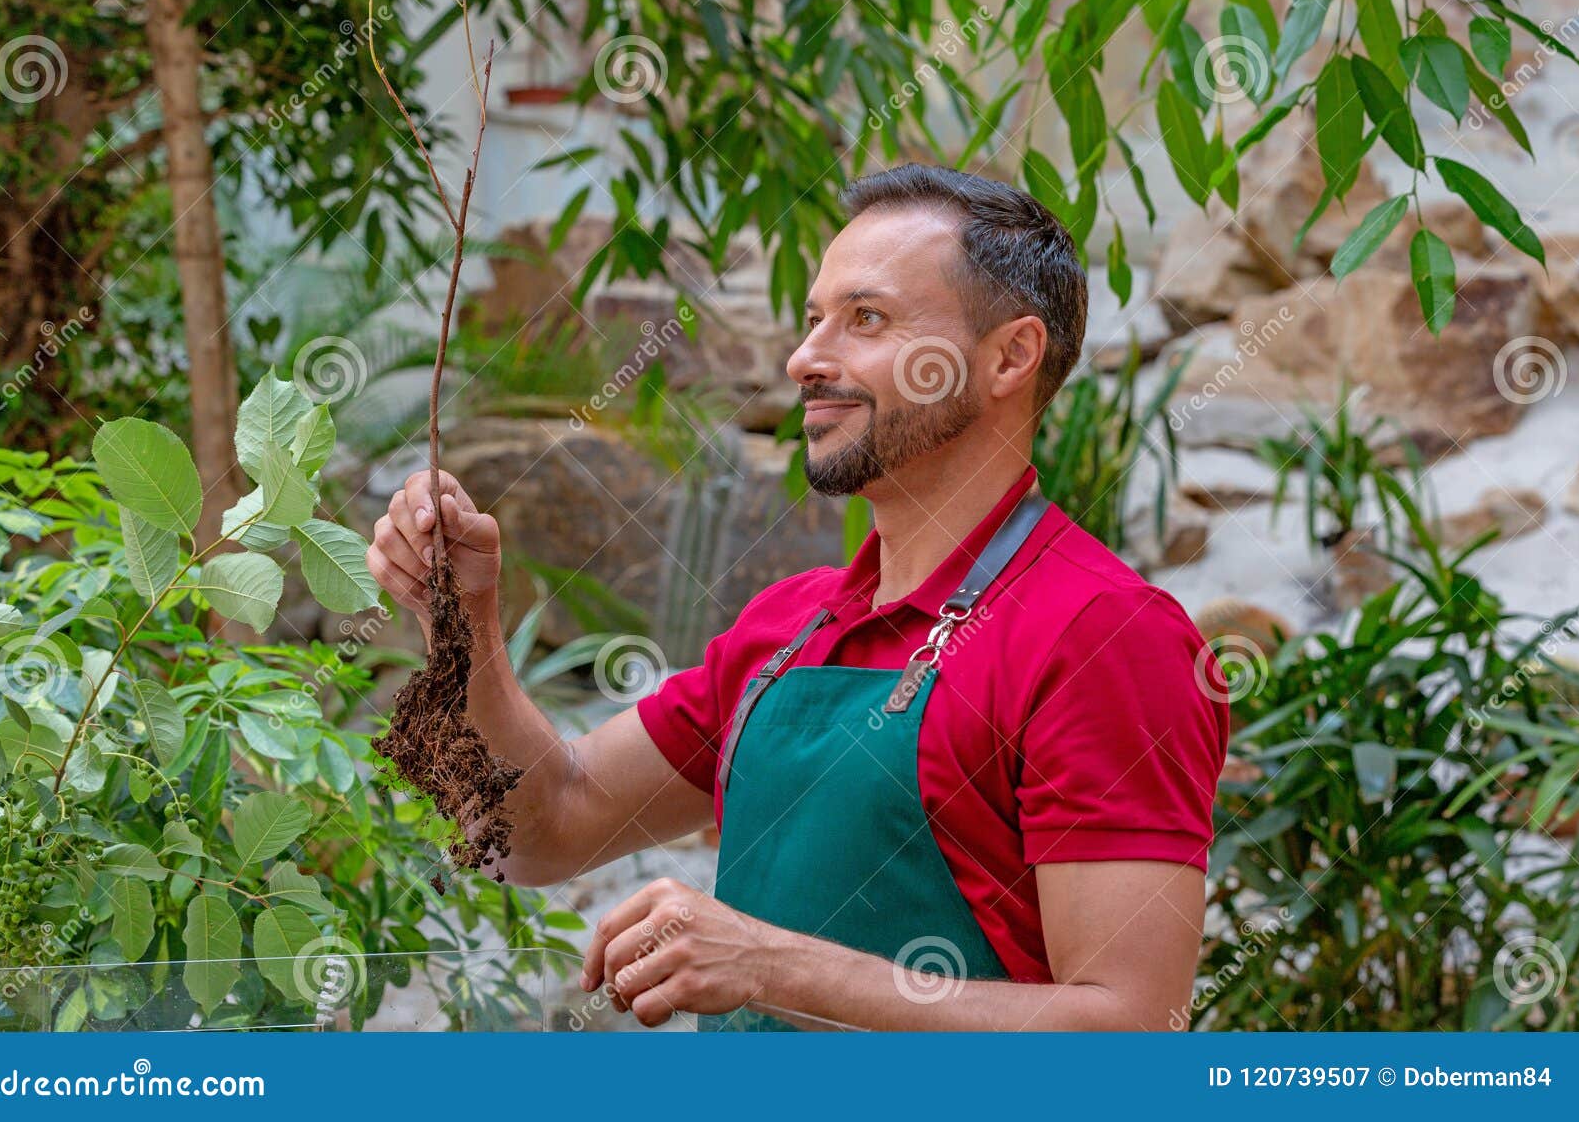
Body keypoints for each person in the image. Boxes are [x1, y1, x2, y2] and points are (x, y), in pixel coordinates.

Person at [367, 163, 1229, 1031]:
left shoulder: (1103, 636)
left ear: (1010, 355)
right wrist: (466, 625)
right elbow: (548, 823)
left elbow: (1129, 1034)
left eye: (867, 318)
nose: (805, 358)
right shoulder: (790, 626)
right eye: (815, 319)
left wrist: (770, 963)